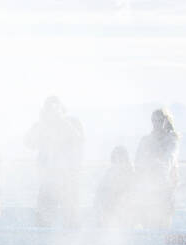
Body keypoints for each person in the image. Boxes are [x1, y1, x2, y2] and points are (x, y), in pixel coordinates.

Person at [26, 96, 84, 225]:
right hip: (48, 181)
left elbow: (79, 139)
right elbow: (28, 142)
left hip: (68, 180)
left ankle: (72, 243)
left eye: (55, 109)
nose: (52, 114)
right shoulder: (43, 126)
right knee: (42, 220)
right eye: (49, 110)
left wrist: (62, 120)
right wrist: (42, 123)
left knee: (71, 221)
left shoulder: (71, 122)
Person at [133, 108, 181, 228]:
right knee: (147, 223)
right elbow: (138, 162)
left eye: (159, 120)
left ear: (165, 121)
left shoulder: (172, 139)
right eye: (154, 120)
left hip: (166, 188)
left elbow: (170, 157)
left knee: (163, 223)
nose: (156, 123)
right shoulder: (145, 140)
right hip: (147, 189)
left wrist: (159, 165)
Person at [94, 145, 135, 225]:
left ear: (126, 160)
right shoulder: (108, 176)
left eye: (121, 160)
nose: (119, 164)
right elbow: (99, 197)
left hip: (126, 214)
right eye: (116, 161)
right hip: (110, 215)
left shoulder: (131, 175)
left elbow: (135, 196)